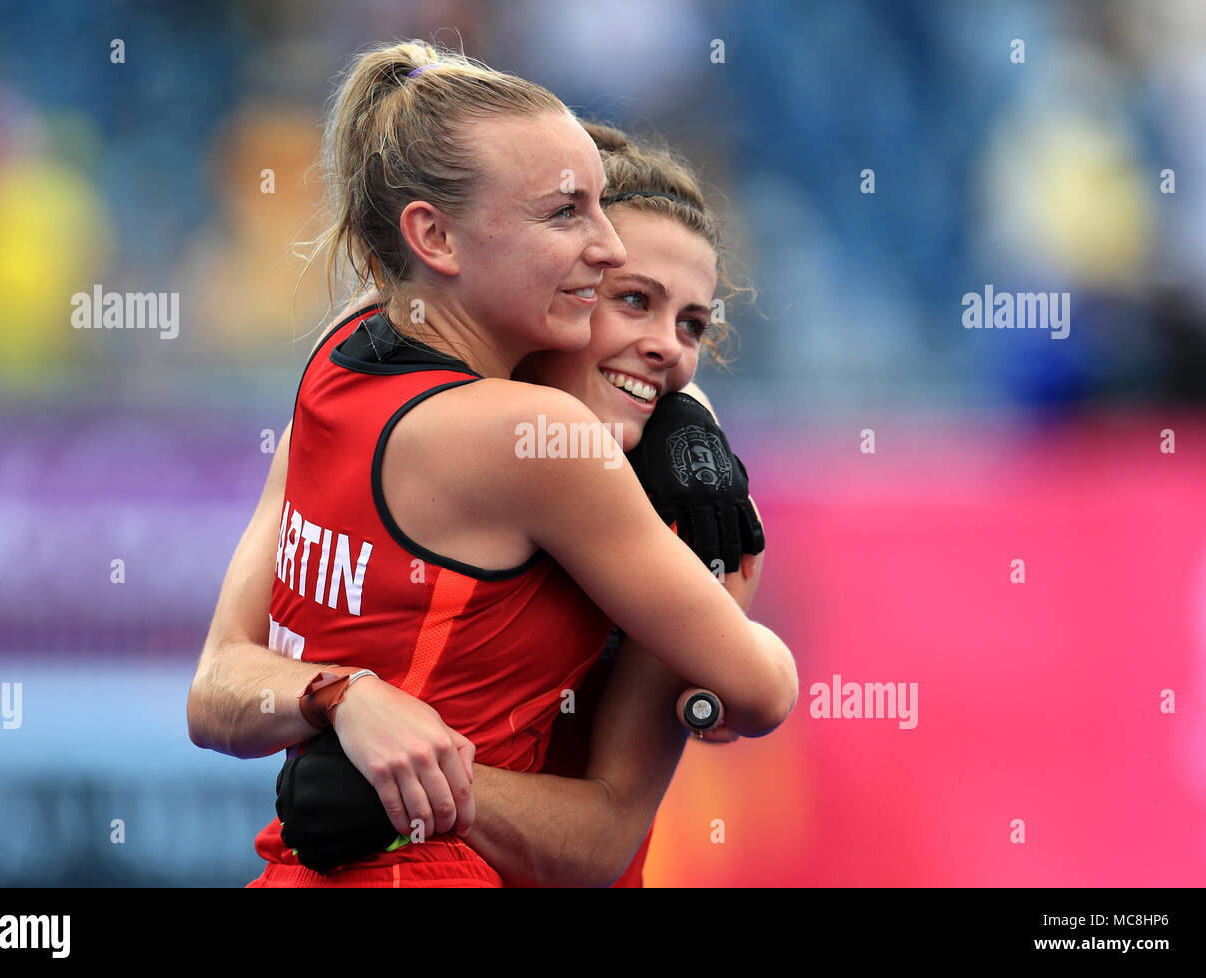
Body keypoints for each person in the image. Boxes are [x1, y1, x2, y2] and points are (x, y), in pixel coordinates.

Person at [187, 40, 797, 888]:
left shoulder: (343, 360)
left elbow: (216, 687)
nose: (602, 248)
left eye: (693, 326)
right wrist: (364, 714)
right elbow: (759, 691)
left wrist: (690, 421)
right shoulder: (548, 444)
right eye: (627, 295)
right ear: (435, 238)